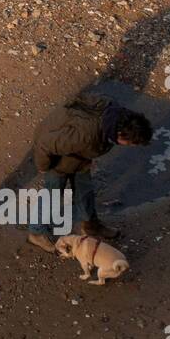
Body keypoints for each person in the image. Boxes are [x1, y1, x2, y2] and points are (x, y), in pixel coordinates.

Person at [25, 92, 153, 252]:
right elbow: (45, 144)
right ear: (120, 134)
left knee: (85, 190)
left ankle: (91, 225)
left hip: (79, 155)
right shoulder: (85, 135)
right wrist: (43, 166)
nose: (130, 146)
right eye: (130, 143)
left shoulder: (114, 114)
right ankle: (36, 232)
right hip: (57, 155)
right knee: (53, 193)